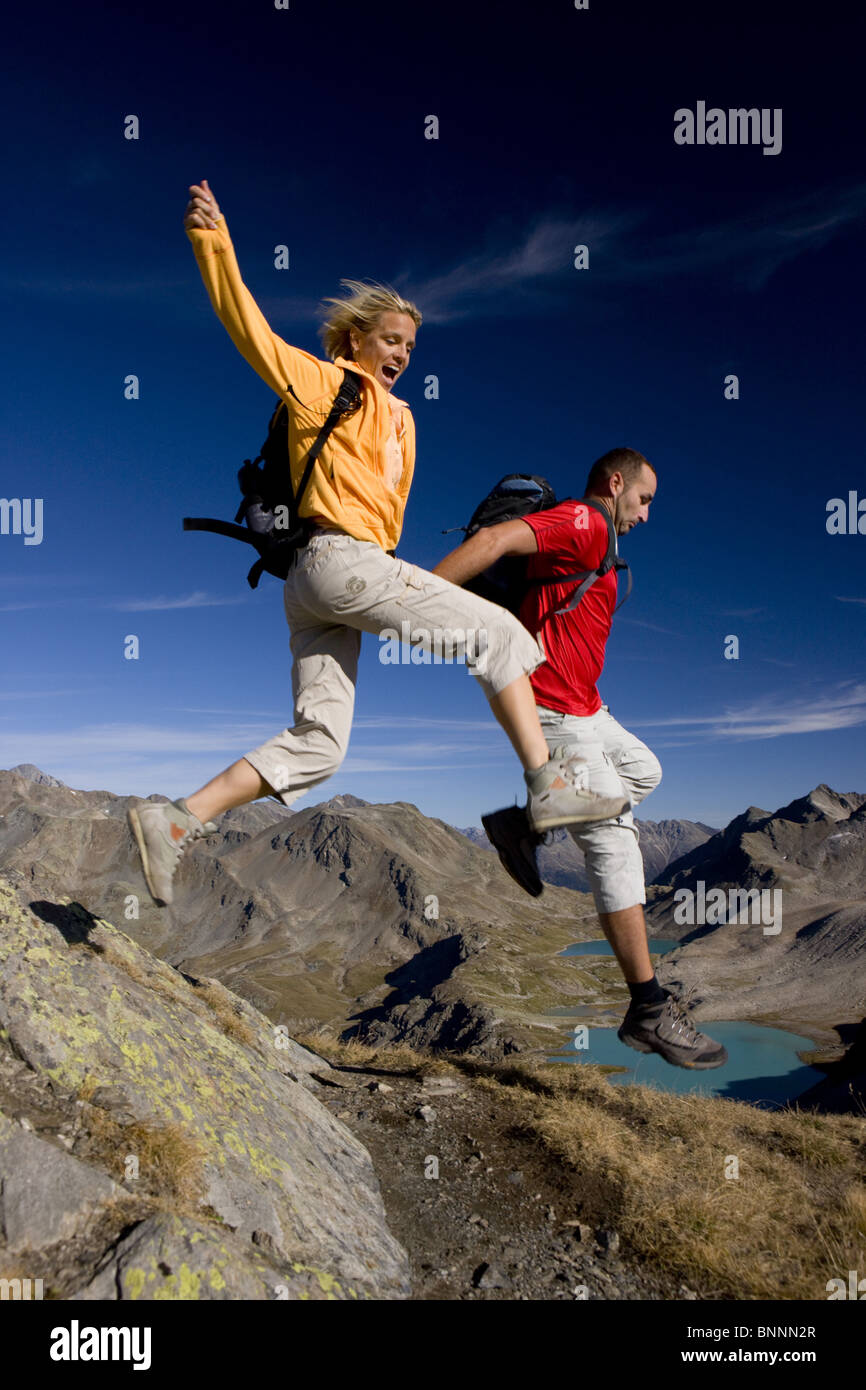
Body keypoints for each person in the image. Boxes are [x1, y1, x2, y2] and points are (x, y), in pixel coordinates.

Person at [127, 180, 628, 909]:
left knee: (320, 745)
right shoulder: (322, 382)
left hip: (320, 586)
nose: (402, 353)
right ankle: (549, 785)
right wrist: (214, 241)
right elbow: (249, 328)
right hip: (338, 561)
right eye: (391, 339)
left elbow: (385, 517)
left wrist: (403, 586)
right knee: (500, 635)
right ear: (356, 337)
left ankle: (175, 820)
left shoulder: (403, 421)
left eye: (411, 346)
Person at [433, 450, 728, 1070]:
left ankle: (525, 823)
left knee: (644, 771)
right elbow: (492, 540)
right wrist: (418, 596)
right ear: (615, 484)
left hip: (587, 706)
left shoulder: (601, 541)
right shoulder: (584, 522)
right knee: (613, 833)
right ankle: (648, 1008)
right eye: (644, 499)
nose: (647, 515)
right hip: (549, 707)